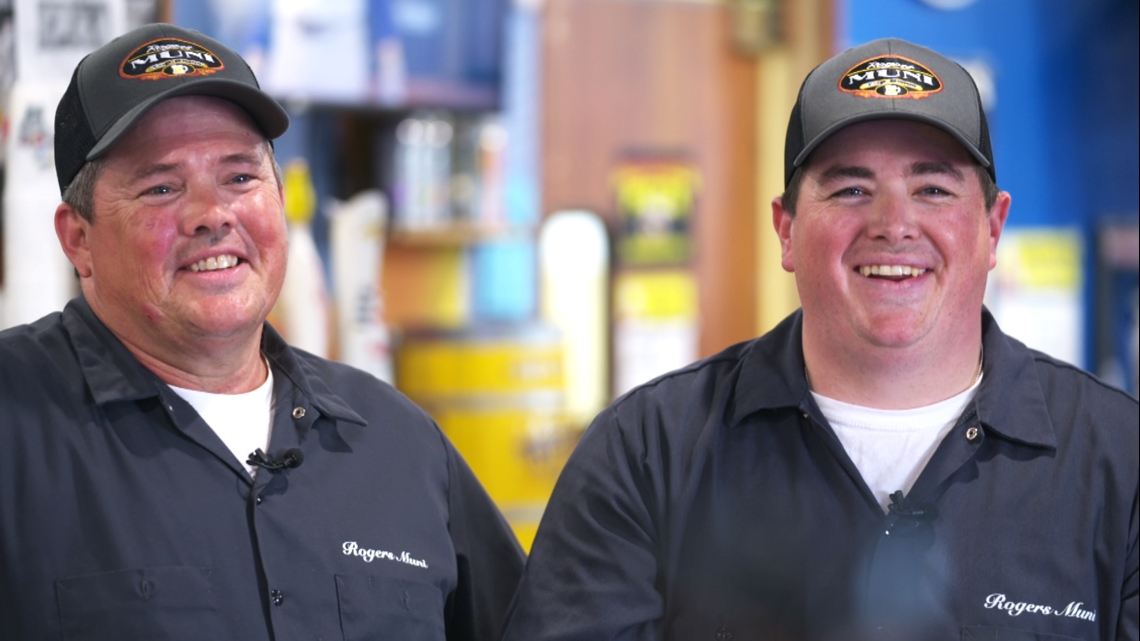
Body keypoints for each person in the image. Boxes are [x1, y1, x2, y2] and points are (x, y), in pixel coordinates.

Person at [501, 38, 1138, 641]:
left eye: (933, 189)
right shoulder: (646, 455)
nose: (894, 225)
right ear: (786, 229)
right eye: (851, 188)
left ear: (992, 229)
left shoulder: (1119, 465)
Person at [0, 23, 523, 640]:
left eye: (240, 178)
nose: (212, 215)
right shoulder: (14, 422)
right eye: (162, 187)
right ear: (78, 239)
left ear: (279, 197)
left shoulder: (401, 446)